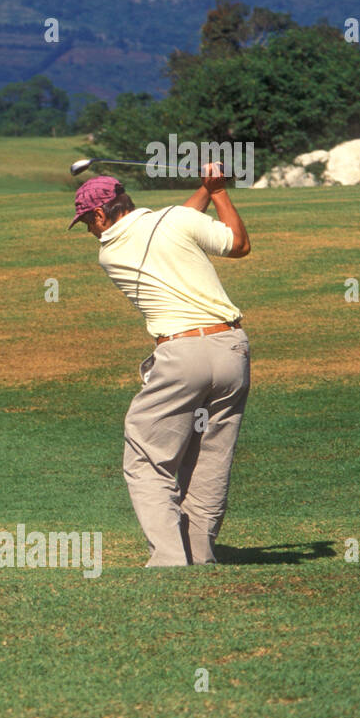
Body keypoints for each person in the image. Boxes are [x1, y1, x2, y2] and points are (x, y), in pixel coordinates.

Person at [69, 163, 251, 566]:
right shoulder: (175, 220)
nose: (88, 231)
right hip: (232, 350)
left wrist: (209, 191)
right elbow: (234, 243)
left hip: (182, 357)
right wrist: (218, 191)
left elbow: (175, 228)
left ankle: (169, 561)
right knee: (209, 458)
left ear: (102, 215)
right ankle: (201, 557)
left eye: (86, 222)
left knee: (148, 456)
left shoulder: (110, 252)